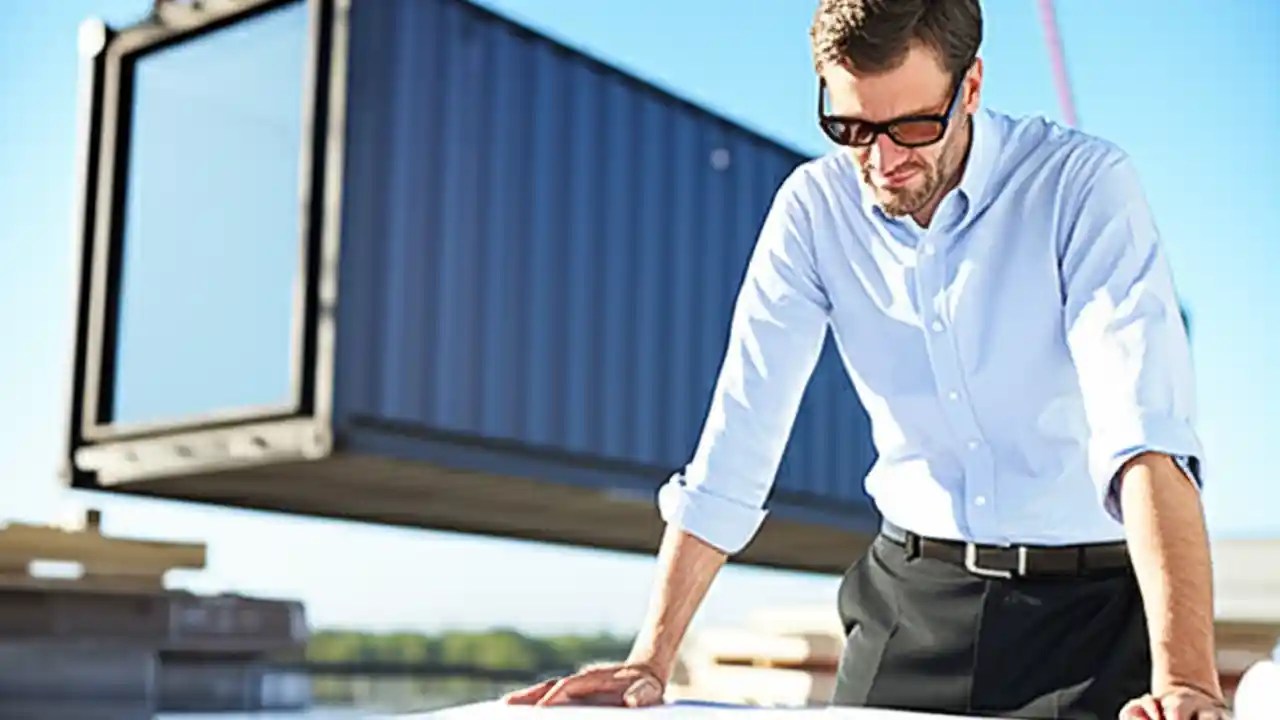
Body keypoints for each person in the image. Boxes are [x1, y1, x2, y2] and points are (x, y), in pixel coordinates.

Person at [504, 1, 1230, 718]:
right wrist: (651, 656)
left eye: (912, 126)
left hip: (1092, 619)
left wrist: (1188, 681)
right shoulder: (815, 212)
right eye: (851, 128)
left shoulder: (1080, 186)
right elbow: (739, 439)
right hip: (910, 603)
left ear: (970, 87)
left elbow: (1144, 432)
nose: (881, 162)